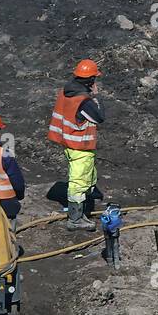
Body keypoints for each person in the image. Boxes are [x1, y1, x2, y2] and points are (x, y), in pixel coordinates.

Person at [47, 59, 104, 231]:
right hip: (80, 147)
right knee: (78, 182)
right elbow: (100, 116)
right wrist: (96, 97)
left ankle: (84, 203)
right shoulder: (83, 101)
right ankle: (76, 218)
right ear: (90, 80)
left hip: (69, 143)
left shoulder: (66, 92)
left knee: (88, 176)